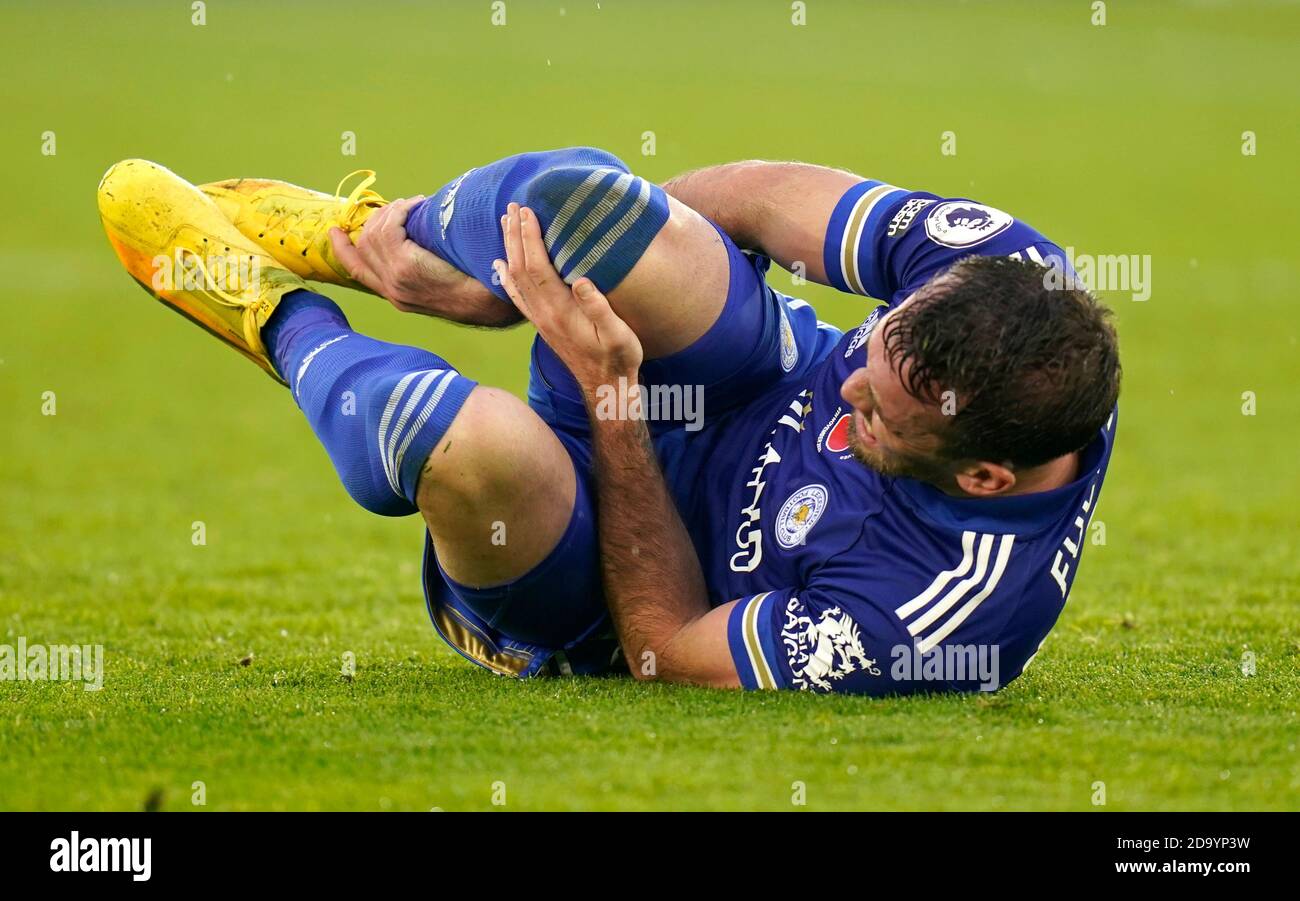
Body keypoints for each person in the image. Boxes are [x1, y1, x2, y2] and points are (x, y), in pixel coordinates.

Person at [97, 147, 1119, 694]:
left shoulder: (922, 623)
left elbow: (664, 648)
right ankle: (362, 238)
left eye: (881, 415)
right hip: (739, 373)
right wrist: (516, 283)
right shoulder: (1008, 281)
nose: (849, 397)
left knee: (462, 440)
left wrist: (616, 401)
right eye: (875, 351)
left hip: (609, 573)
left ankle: (269, 312)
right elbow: (760, 201)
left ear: (983, 476)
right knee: (594, 208)